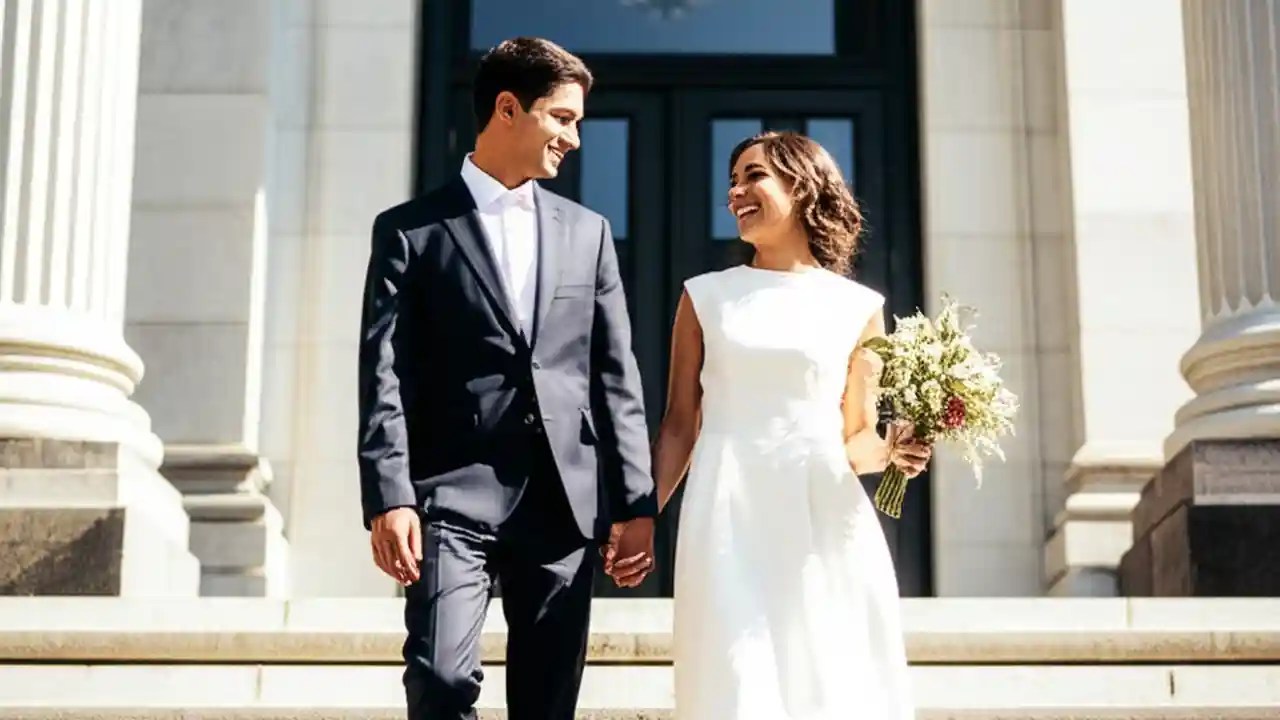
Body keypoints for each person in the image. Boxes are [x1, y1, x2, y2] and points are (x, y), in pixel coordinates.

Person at [357, 37, 657, 720]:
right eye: (562, 117)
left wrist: (635, 504)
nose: (574, 138)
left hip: (562, 504)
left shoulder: (591, 233)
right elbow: (383, 371)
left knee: (547, 703)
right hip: (448, 497)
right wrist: (388, 494)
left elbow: (615, 377)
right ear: (506, 108)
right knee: (440, 677)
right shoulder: (410, 231)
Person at [628, 130, 932, 718]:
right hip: (726, 513)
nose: (736, 192)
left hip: (823, 518)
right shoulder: (705, 297)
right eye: (733, 180)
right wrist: (641, 515)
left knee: (827, 686)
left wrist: (895, 451)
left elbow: (857, 440)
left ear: (803, 184)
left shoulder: (859, 306)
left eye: (753, 175)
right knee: (733, 684)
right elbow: (678, 425)